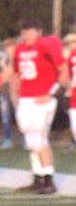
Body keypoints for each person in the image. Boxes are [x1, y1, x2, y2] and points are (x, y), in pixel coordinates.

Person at [11, 18, 69, 194]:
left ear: (39, 32)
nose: (27, 34)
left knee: (40, 138)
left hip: (42, 98)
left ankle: (49, 180)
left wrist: (51, 93)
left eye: (30, 31)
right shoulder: (20, 49)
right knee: (30, 141)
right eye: (24, 31)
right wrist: (15, 96)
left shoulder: (46, 45)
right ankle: (37, 177)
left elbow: (64, 71)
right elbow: (15, 74)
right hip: (26, 99)